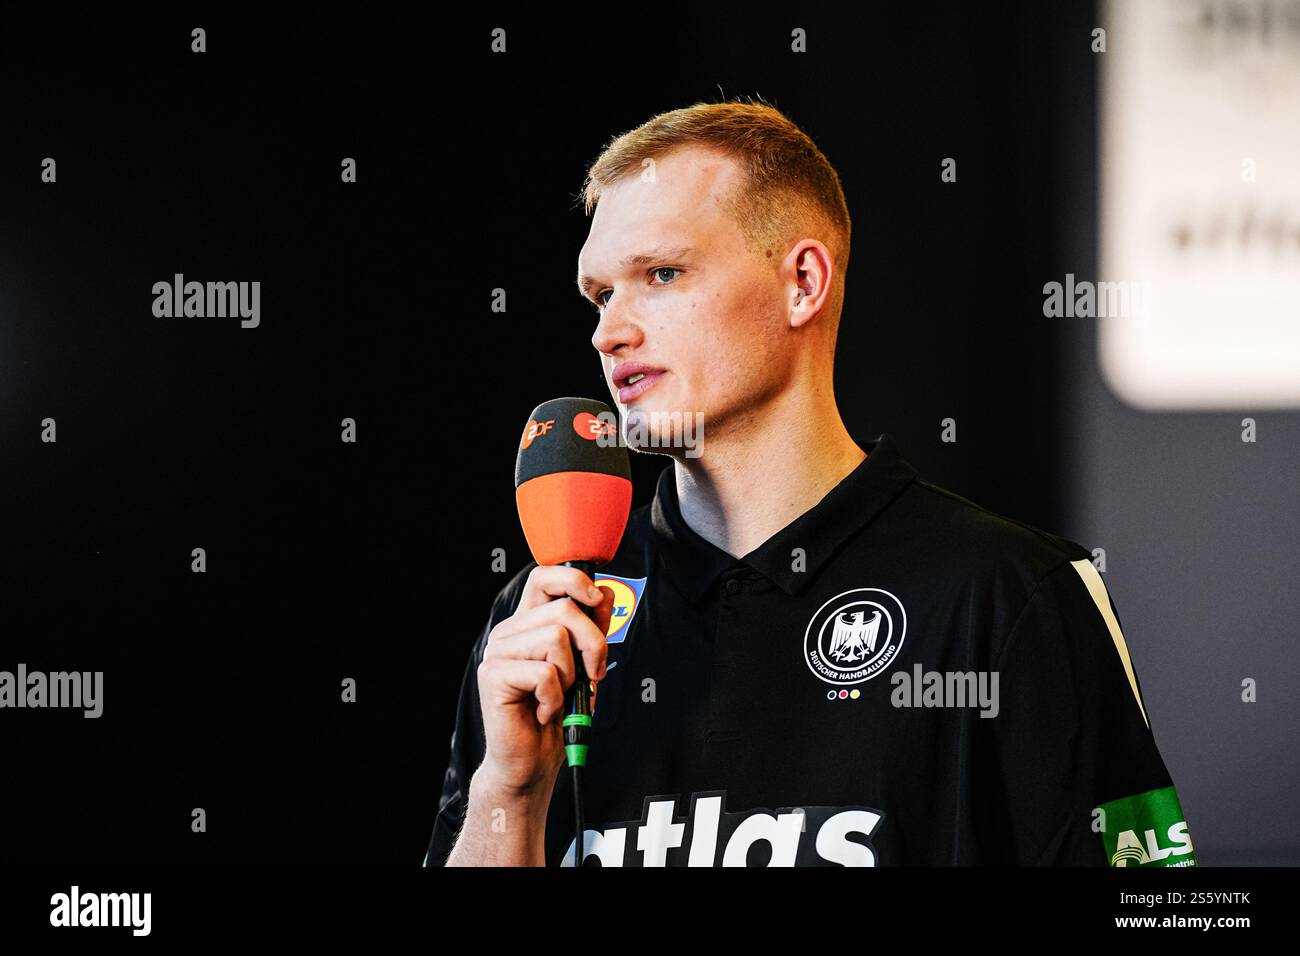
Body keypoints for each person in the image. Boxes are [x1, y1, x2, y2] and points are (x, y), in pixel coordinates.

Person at [424, 99, 1195, 867]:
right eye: (601, 295)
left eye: (660, 273)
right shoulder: (542, 623)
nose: (609, 331)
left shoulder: (1006, 593)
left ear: (802, 281)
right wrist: (509, 795)